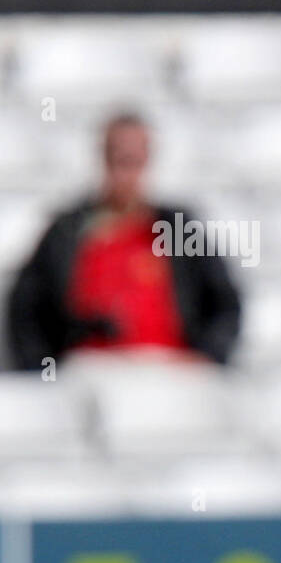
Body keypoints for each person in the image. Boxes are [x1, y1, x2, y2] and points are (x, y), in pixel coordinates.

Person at [6, 112, 241, 371]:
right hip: (88, 375)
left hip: (168, 374)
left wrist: (207, 359)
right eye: (118, 159)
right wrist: (43, 370)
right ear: (103, 158)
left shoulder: (179, 229)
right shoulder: (66, 232)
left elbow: (225, 303)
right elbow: (27, 311)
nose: (126, 172)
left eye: (134, 160)